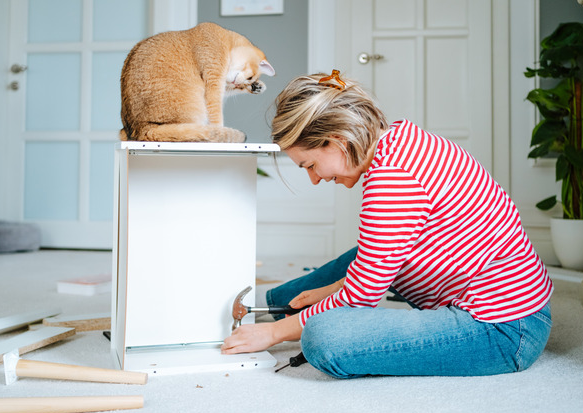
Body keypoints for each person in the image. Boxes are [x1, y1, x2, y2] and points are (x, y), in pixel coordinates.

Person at [221, 70, 554, 378]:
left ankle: (271, 324)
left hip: (504, 328)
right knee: (362, 257)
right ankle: (266, 308)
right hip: (501, 302)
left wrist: (276, 336)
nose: (314, 179)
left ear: (337, 141)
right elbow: (374, 265)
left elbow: (360, 298)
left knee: (325, 338)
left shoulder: (393, 180)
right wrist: (327, 291)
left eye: (310, 165)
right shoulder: (398, 139)